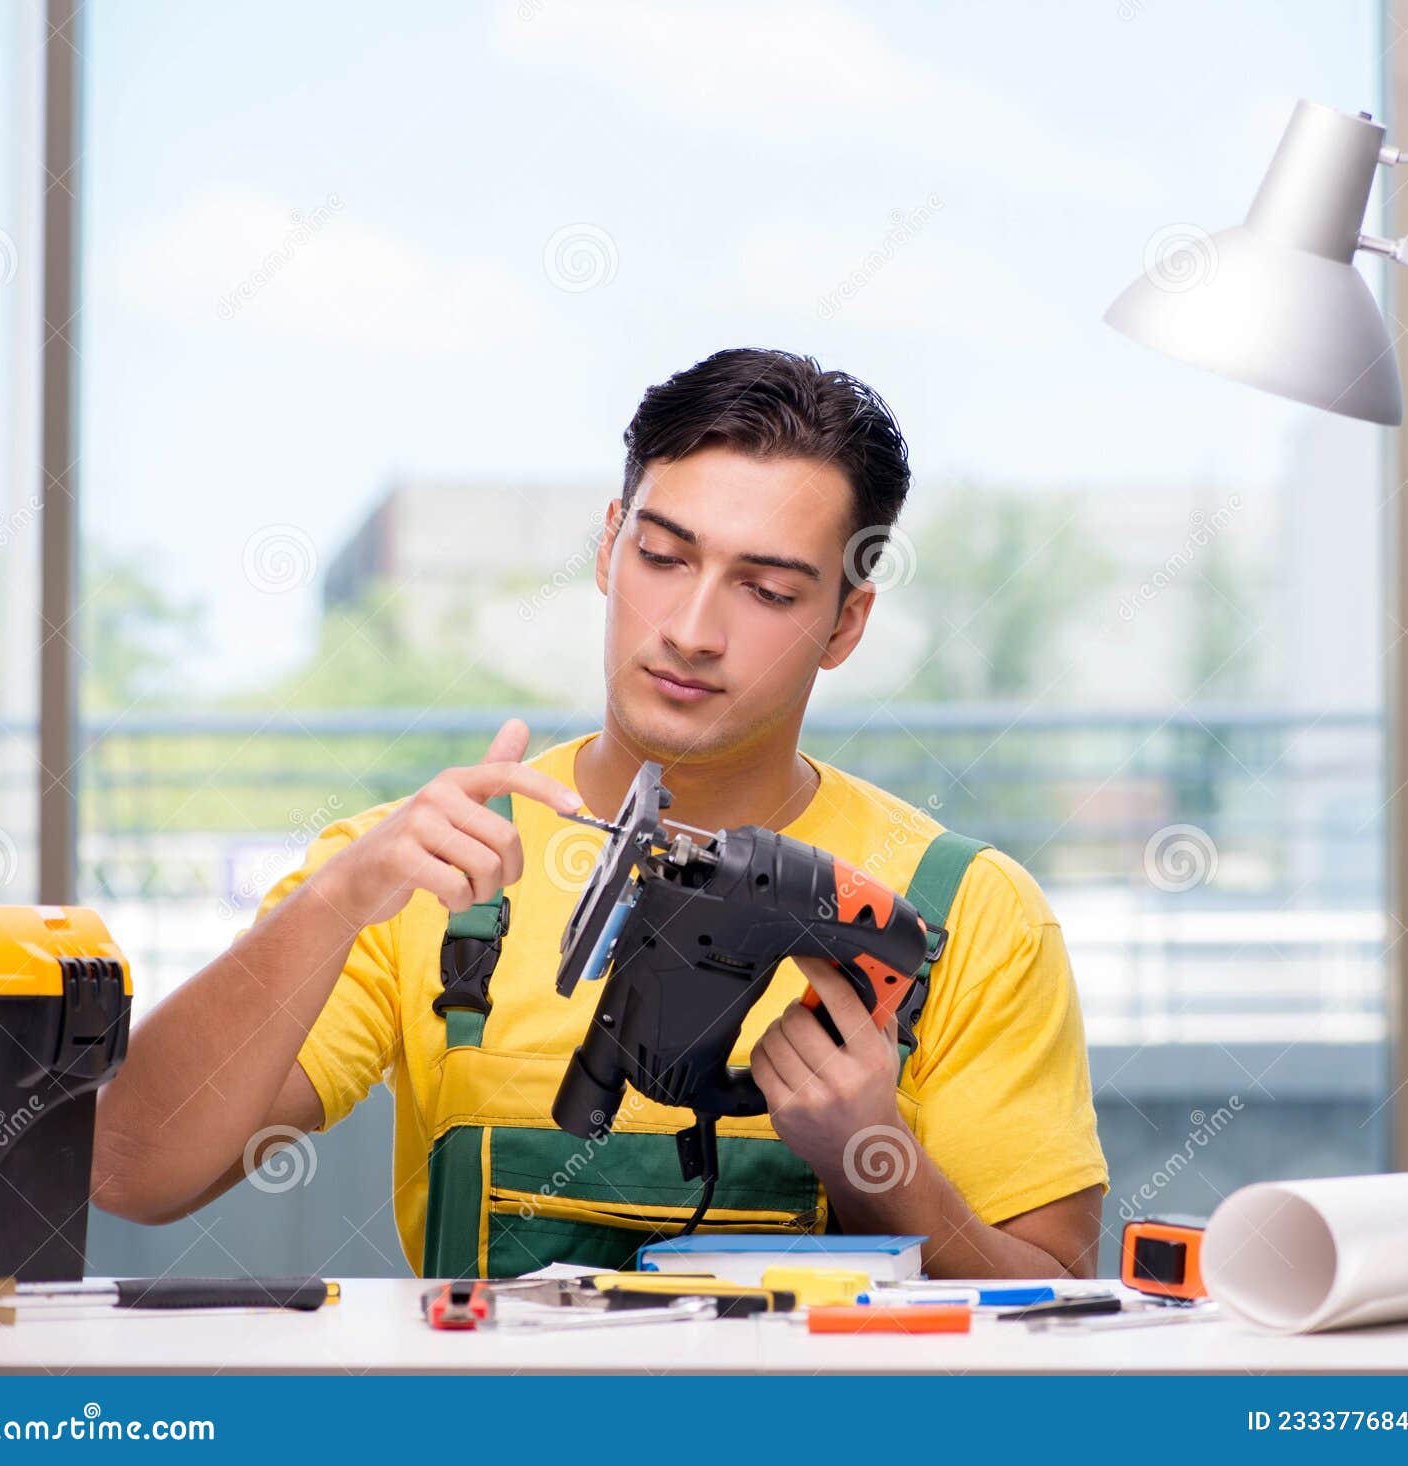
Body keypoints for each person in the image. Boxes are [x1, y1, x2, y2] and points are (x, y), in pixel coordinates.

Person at [93, 347, 1109, 1280]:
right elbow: (134, 1172)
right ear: (608, 548)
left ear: (845, 621)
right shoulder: (418, 870)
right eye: (664, 557)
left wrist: (876, 1163)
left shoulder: (964, 911)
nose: (692, 629)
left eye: (763, 589)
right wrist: (337, 898)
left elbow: (1059, 1322)